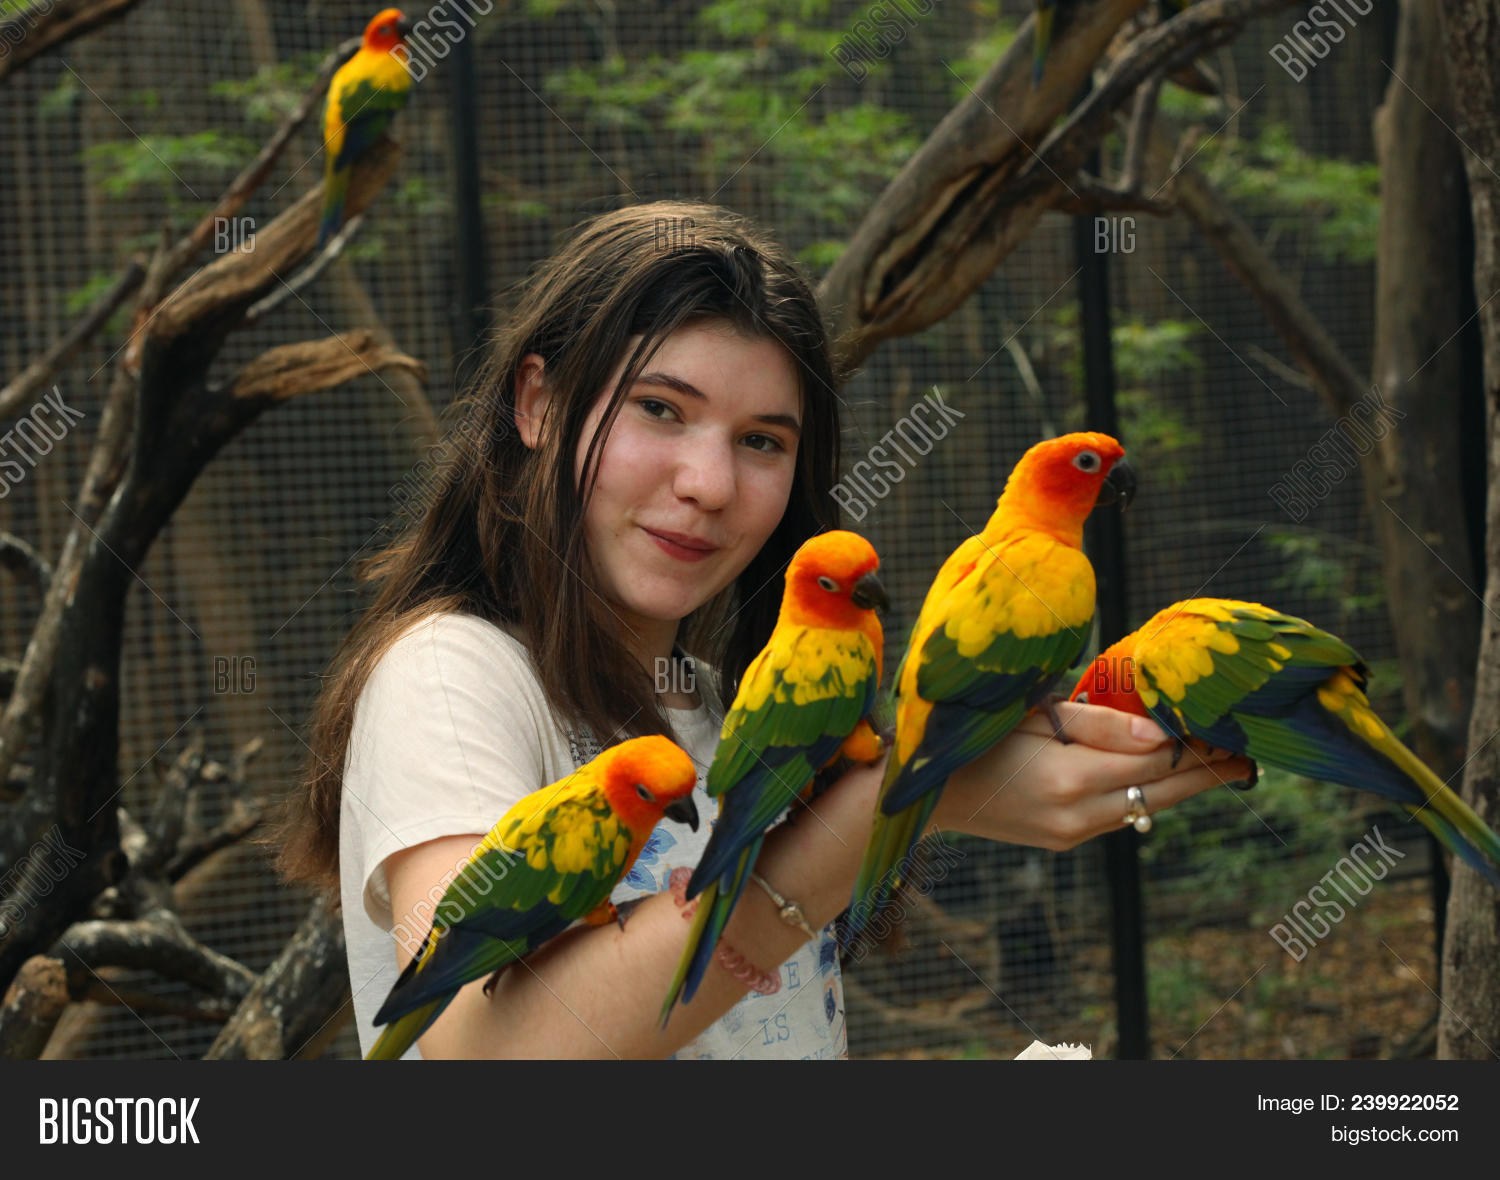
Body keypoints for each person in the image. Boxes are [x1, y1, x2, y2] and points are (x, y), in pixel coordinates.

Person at [273, 199, 1252, 1059]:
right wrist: (899, 802)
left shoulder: (720, 700)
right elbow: (478, 1061)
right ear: (537, 402)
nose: (709, 484)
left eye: (761, 442)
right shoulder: (452, 677)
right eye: (660, 409)